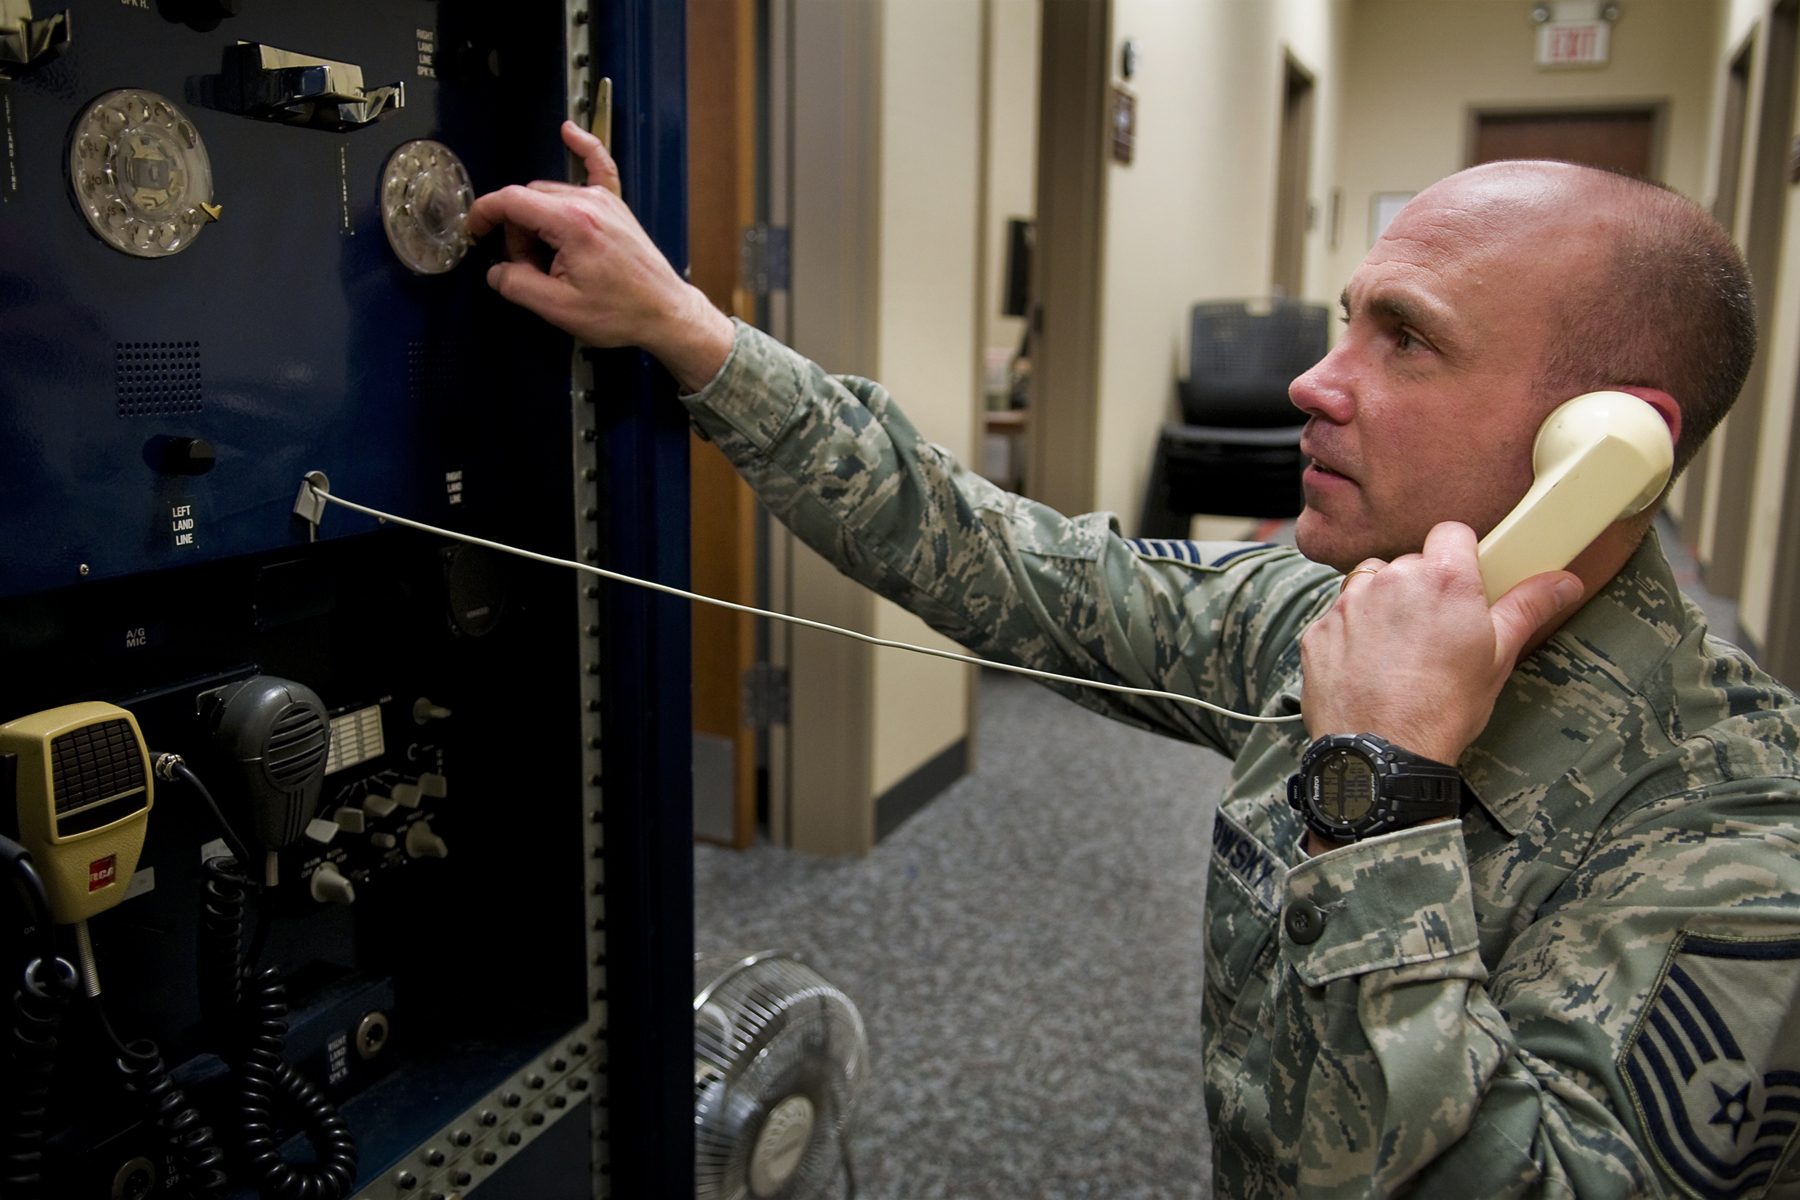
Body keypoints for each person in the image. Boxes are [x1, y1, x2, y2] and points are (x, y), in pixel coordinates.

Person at [468, 122, 1800, 1197]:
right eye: (1346, 319)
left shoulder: (1739, 843)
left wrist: (1377, 791)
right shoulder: (1324, 616)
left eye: (1407, 338)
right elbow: (1003, 562)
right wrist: (687, 326)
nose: (1311, 382)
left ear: (1608, 446)